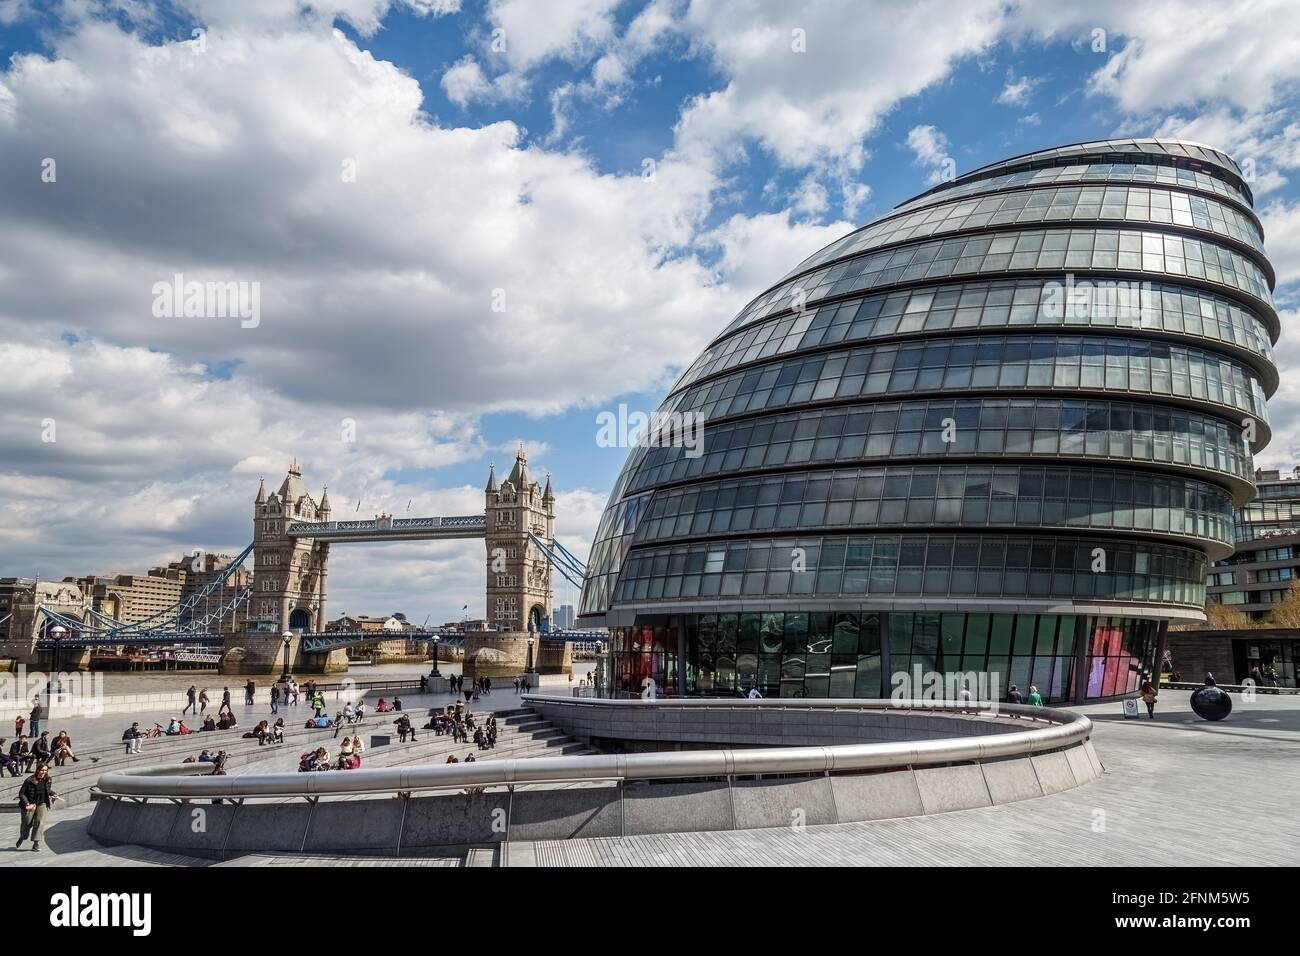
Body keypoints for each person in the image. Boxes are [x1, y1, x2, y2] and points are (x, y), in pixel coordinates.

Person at [17, 763, 56, 851]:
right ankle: (22, 837)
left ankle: (36, 843)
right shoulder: (29, 780)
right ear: (37, 770)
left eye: (45, 770)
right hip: (31, 804)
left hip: (42, 803)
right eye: (42, 770)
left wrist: (54, 795)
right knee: (27, 824)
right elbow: (21, 793)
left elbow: (48, 790)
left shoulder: (48, 779)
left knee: (39, 822)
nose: (43, 772)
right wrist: (27, 804)